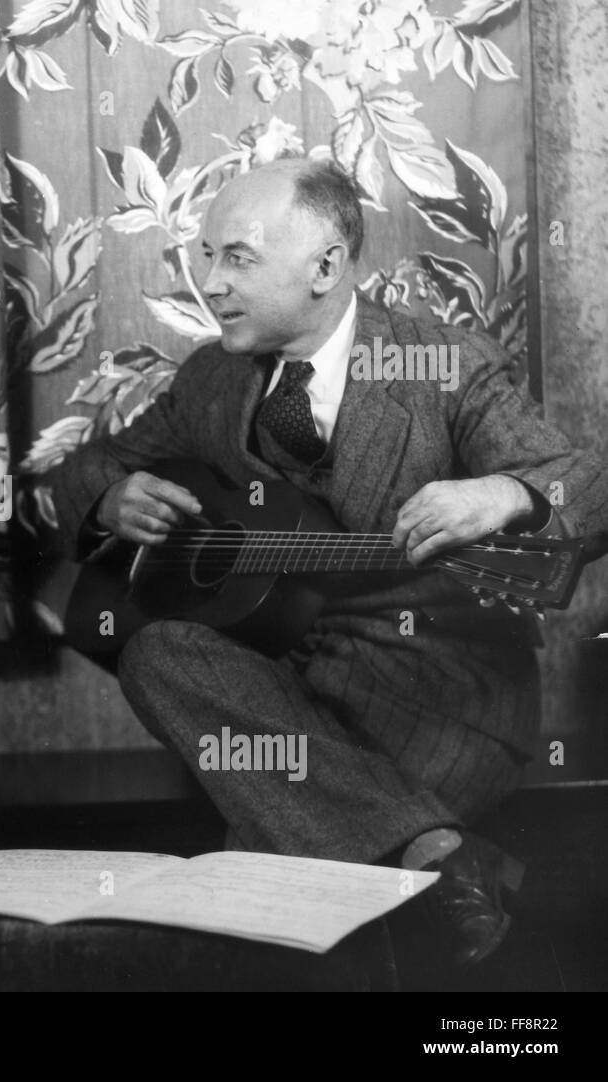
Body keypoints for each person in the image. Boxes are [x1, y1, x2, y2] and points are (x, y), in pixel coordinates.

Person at [49, 157, 608, 966]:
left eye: (236, 257)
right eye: (207, 256)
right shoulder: (212, 379)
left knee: (278, 885)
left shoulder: (438, 363)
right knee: (157, 651)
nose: (211, 282)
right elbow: (81, 470)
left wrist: (507, 494)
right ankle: (441, 857)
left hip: (437, 698)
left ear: (325, 266)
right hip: (278, 698)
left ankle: (413, 859)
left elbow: (590, 486)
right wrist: (111, 497)